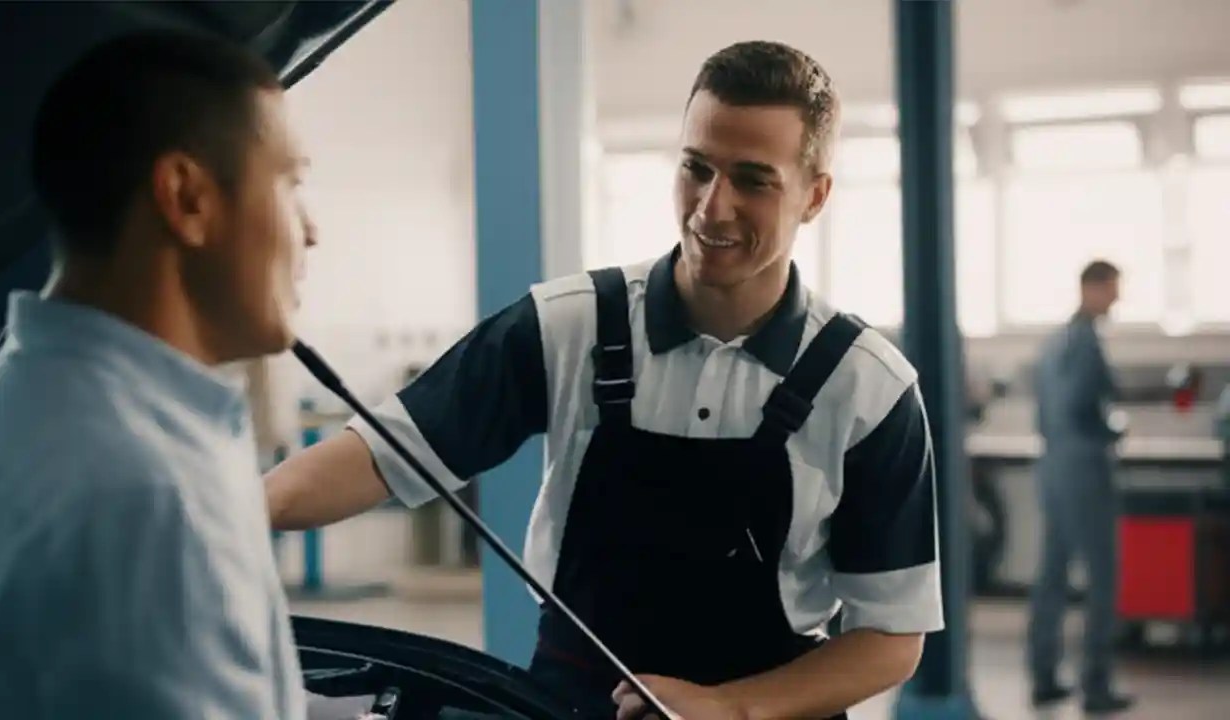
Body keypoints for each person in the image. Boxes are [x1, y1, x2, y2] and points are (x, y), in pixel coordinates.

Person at [267, 41, 943, 719]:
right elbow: (383, 456)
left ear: (815, 195)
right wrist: (230, 512)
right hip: (571, 705)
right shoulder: (569, 328)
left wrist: (731, 710)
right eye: (696, 168)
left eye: (753, 179)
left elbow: (891, 636)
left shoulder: (868, 389)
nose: (712, 208)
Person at [0, 30, 317, 718]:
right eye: (292, 184)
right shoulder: (151, 495)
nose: (311, 229)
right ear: (186, 198)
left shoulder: (0, 412)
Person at [1027, 260, 1134, 714]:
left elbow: (1046, 408)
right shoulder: (1086, 342)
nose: (1116, 299)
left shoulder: (1055, 343)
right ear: (1092, 288)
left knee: (1052, 575)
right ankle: (1096, 685)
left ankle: (1045, 676)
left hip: (1052, 467)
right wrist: (1113, 432)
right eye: (1112, 289)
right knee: (1103, 578)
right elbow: (1081, 405)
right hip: (1086, 468)